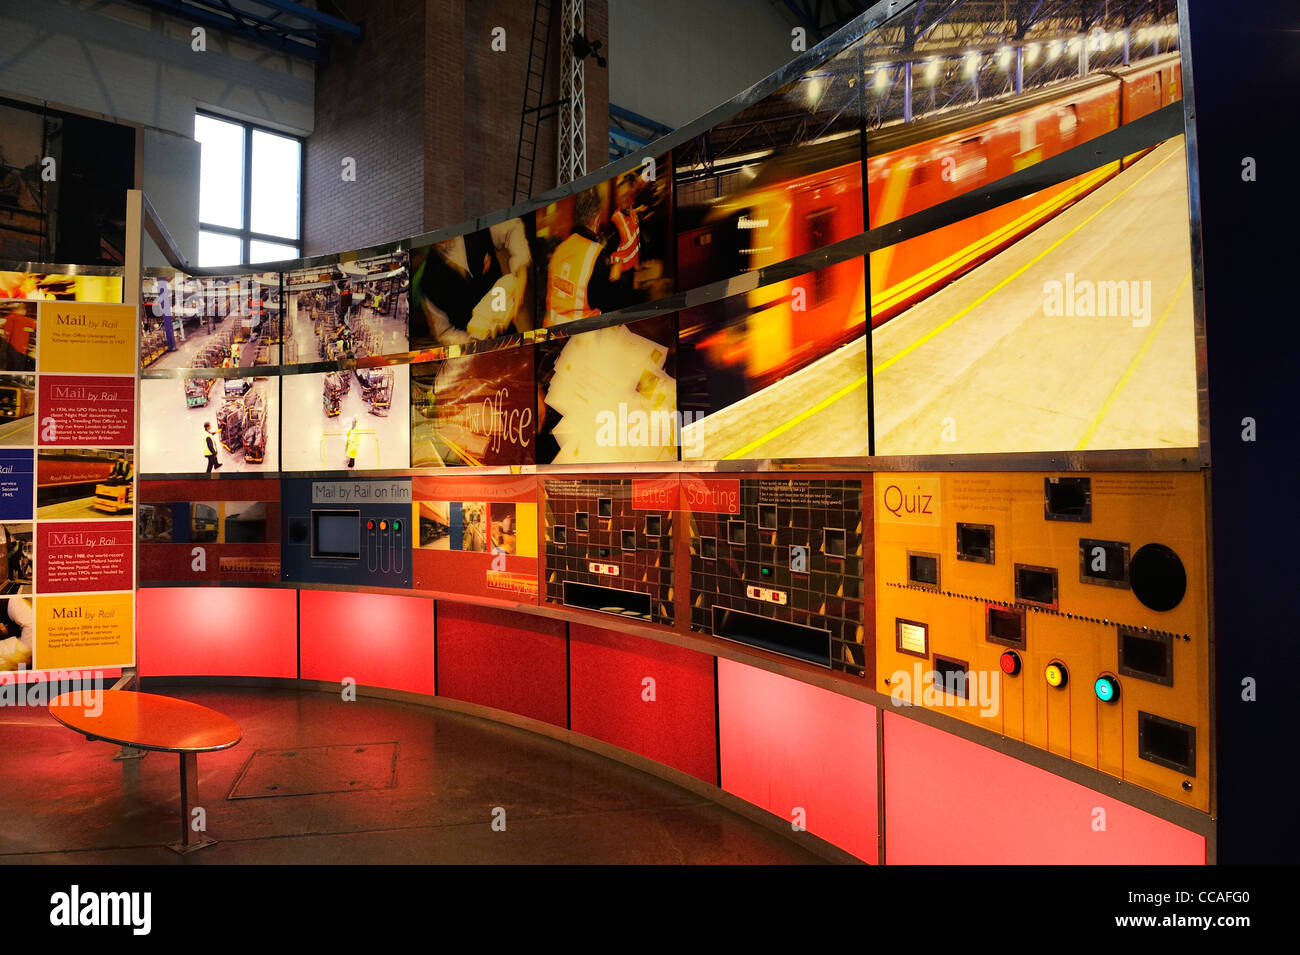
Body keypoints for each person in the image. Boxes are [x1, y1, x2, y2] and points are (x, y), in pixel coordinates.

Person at [414, 218, 531, 345]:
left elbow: (512, 227)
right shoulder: (428, 281)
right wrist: (470, 341)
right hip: (474, 351)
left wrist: (521, 271)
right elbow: (444, 332)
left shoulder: (476, 223)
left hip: (507, 331)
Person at [545, 188, 619, 325]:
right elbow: (608, 303)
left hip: (552, 331)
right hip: (581, 338)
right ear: (596, 219)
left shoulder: (559, 250)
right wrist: (615, 275)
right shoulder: (596, 254)